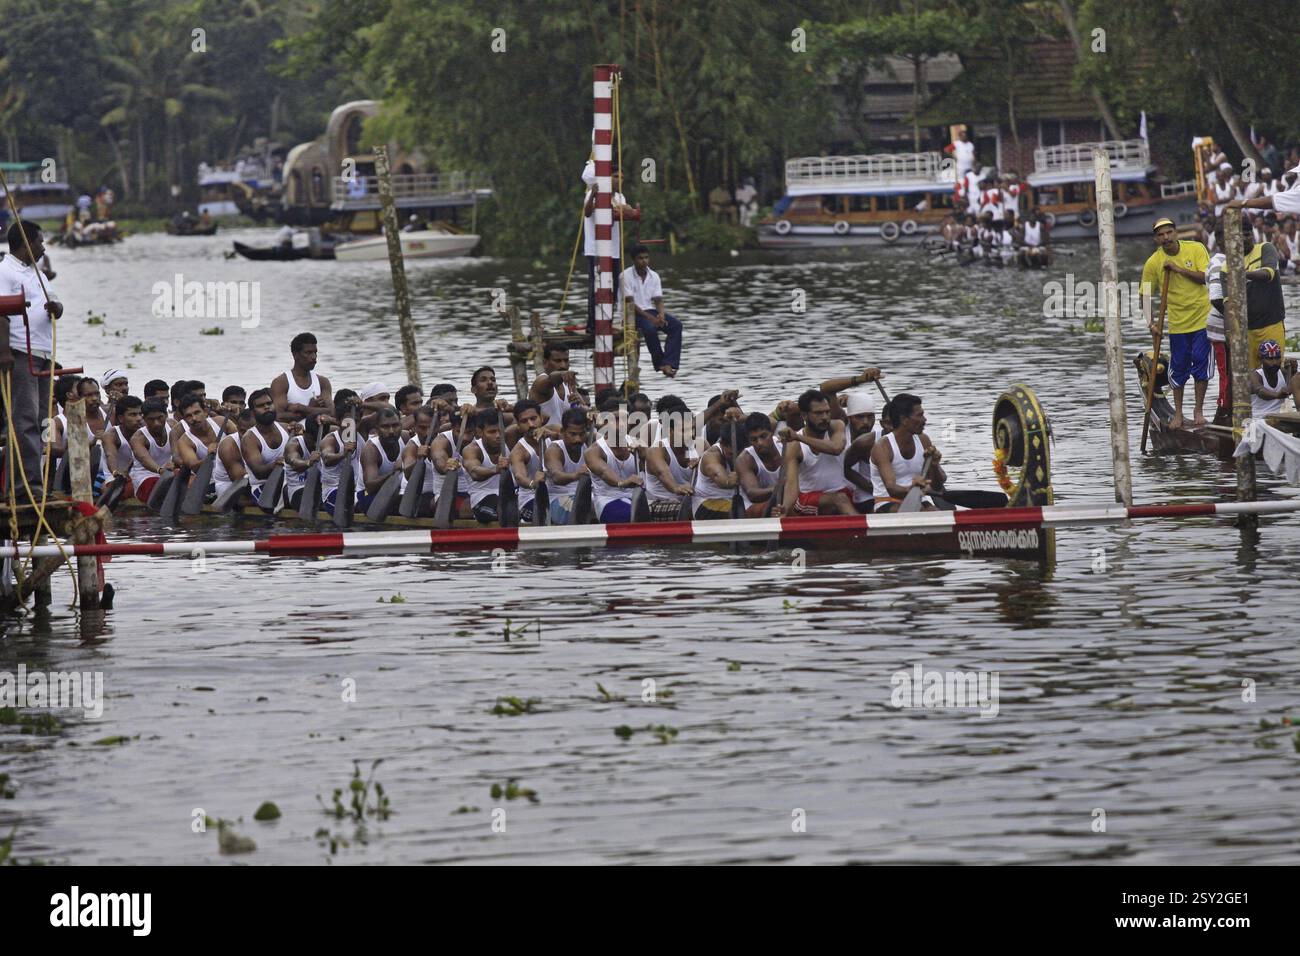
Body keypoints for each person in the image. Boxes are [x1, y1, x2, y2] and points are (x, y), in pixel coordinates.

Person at [0, 221, 64, 502]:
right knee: (23, 420)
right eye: (39, 241)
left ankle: (28, 485)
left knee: (38, 421)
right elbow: (1, 312)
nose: (43, 247)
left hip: (42, 353)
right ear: (25, 242)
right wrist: (4, 353)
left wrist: (56, 308)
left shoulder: (36, 272)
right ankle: (26, 490)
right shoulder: (5, 270)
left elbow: (54, 302)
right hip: (20, 352)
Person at [1140, 217, 1211, 429]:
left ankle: (1198, 411)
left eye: (1169, 232)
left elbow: (1205, 277)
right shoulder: (1154, 262)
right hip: (1178, 324)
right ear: (1156, 239)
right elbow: (1145, 295)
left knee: (1200, 364)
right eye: (1161, 235)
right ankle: (1178, 414)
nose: (1166, 237)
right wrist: (1151, 323)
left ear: (1176, 233)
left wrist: (1179, 269)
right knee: (1178, 368)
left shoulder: (1196, 249)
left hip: (1202, 319)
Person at [780, 389, 855, 516]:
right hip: (808, 499)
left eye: (827, 412)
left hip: (840, 493)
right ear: (804, 416)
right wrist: (784, 511)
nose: (825, 417)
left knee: (844, 497)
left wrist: (799, 437)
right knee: (840, 499)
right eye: (818, 413)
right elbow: (791, 486)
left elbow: (836, 449)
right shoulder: (794, 445)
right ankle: (870, 533)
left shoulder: (836, 426)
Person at [869, 393, 944, 513]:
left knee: (938, 514)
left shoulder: (924, 440)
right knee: (920, 513)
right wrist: (912, 488)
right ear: (904, 419)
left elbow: (937, 486)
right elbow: (891, 488)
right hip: (887, 501)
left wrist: (934, 465)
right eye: (919, 416)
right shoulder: (882, 447)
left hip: (918, 499)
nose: (924, 420)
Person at [623, 243, 683, 378]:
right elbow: (630, 304)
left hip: (650, 311)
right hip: (632, 314)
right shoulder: (625, 276)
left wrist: (661, 315)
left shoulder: (654, 275)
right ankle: (660, 363)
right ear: (634, 260)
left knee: (676, 326)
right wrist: (652, 319)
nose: (644, 261)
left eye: (646, 257)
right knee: (650, 328)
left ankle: (669, 362)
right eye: (640, 258)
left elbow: (658, 300)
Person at [584, 169, 633, 333]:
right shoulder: (594, 191)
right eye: (616, 176)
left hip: (614, 251)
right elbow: (587, 212)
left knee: (614, 285)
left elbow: (627, 210)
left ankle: (608, 321)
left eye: (622, 177)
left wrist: (629, 210)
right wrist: (593, 195)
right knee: (595, 287)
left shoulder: (620, 197)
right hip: (595, 250)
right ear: (608, 177)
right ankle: (592, 325)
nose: (619, 180)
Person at [585, 408, 641, 523]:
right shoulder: (594, 451)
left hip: (637, 497)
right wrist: (623, 483)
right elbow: (604, 472)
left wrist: (643, 454)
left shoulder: (637, 444)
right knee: (633, 515)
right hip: (608, 500)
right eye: (616, 419)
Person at [240, 388, 291, 506]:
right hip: (263, 487)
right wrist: (275, 464)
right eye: (261, 405)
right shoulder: (250, 439)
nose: (267, 407)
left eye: (269, 403)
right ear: (253, 413)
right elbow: (259, 472)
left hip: (288, 481)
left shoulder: (286, 428)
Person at [270, 332, 332, 424]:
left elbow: (332, 412)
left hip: (318, 435)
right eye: (308, 353)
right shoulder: (281, 382)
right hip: (293, 435)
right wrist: (313, 409)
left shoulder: (323, 382)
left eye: (315, 352)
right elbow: (278, 417)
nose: (314, 357)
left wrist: (301, 408)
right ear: (295, 355)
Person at [355, 405, 404, 513]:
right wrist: (393, 472)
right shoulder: (371, 449)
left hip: (395, 489)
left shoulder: (405, 438)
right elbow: (370, 486)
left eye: (395, 425)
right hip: (367, 494)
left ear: (401, 425)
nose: (391, 431)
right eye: (385, 427)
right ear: (376, 429)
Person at [462, 410, 509, 523]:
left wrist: (507, 407)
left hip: (506, 496)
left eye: (500, 431)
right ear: (479, 432)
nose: (498, 436)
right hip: (481, 498)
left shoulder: (509, 440)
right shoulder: (472, 450)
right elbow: (474, 472)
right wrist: (496, 469)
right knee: (504, 512)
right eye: (492, 432)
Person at [840, 390, 883, 513]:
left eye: (870, 416)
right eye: (860, 417)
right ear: (849, 418)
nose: (866, 422)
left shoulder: (879, 439)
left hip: (869, 496)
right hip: (843, 494)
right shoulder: (839, 433)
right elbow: (827, 391)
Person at [736, 412, 784, 517]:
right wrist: (779, 489)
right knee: (776, 509)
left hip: (782, 499)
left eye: (763, 436)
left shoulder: (785, 446)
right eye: (754, 439)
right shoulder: (744, 459)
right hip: (754, 506)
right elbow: (752, 493)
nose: (760, 443)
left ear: (772, 433)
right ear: (748, 440)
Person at [1204, 228, 1230, 421]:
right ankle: (1222, 413)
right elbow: (1216, 299)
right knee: (1226, 373)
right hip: (1221, 328)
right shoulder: (1218, 261)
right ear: (1221, 239)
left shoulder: (1238, 259)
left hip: (1232, 328)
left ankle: (1228, 409)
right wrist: (1236, 324)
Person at [507, 400, 547, 523]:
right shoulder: (519, 451)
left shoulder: (554, 436)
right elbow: (519, 476)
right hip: (529, 498)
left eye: (533, 418)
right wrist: (533, 483)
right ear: (518, 426)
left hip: (553, 495)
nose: (531, 424)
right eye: (524, 421)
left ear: (541, 418)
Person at [692, 420, 742, 519]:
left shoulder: (750, 449)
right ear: (722, 444)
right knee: (737, 512)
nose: (735, 458)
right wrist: (729, 481)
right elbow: (723, 480)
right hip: (707, 503)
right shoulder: (711, 456)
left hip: (736, 499)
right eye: (731, 454)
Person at [127, 399, 175, 502]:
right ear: (144, 418)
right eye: (151, 419)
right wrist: (160, 470)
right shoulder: (138, 438)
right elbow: (145, 459)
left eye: (160, 418)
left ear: (166, 415)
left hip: (169, 472)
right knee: (161, 485)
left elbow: (178, 453)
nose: (156, 423)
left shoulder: (173, 426)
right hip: (145, 477)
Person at [529, 343, 583, 427]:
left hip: (567, 437)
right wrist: (562, 374)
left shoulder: (569, 383)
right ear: (545, 363)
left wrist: (580, 403)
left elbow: (584, 408)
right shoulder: (540, 382)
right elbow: (551, 379)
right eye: (557, 361)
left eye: (566, 360)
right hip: (545, 438)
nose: (563, 365)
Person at [1247, 339, 1292, 418]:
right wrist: (1277, 395)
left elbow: (1292, 387)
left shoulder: (1284, 373)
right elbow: (1260, 391)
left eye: (1277, 358)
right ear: (1261, 359)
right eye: (1270, 359)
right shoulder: (1254, 375)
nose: (1274, 362)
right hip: (1258, 420)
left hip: (1281, 418)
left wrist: (1293, 371)